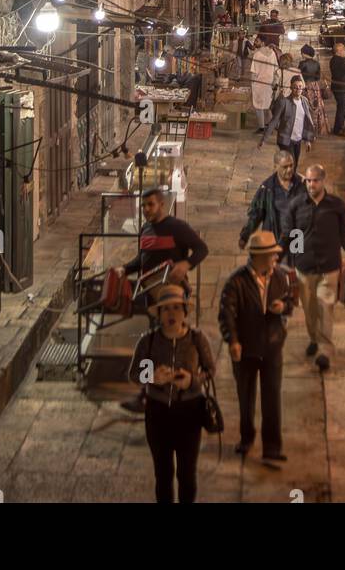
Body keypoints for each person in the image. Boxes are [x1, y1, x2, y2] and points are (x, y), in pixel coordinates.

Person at [120, 188, 209, 412]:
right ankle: (148, 391)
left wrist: (186, 264)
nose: (147, 209)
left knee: (173, 342)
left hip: (171, 295)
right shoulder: (146, 229)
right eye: (144, 206)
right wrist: (125, 269)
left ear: (161, 204)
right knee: (151, 344)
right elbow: (142, 259)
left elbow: (201, 249)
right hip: (151, 294)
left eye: (150, 205)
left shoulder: (177, 228)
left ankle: (178, 387)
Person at [128, 284, 215, 503]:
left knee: (186, 474)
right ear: (158, 314)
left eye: (177, 308)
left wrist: (192, 380)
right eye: (166, 309)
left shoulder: (197, 339)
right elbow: (135, 374)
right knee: (163, 474)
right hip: (158, 414)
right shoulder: (148, 342)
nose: (172, 313)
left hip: (190, 413)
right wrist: (153, 377)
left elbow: (209, 370)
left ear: (184, 312)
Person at [218, 230, 295, 461]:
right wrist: (232, 341)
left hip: (272, 347)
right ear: (258, 256)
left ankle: (272, 446)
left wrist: (283, 307)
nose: (275, 259)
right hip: (246, 348)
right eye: (271, 255)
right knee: (246, 397)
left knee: (272, 397)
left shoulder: (280, 277)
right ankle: (247, 438)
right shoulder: (237, 281)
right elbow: (226, 315)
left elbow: (290, 300)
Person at [283, 164, 345, 372]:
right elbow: (292, 234)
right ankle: (314, 338)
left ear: (323, 181)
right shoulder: (296, 205)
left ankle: (325, 350)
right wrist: (293, 259)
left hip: (329, 267)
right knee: (309, 310)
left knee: (326, 307)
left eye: (315, 180)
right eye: (308, 180)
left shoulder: (336, 206)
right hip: (305, 267)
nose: (311, 184)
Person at [238, 149, 306, 250]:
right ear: (275, 167)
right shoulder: (267, 188)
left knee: (295, 264)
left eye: (291, 165)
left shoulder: (302, 184)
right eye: (285, 167)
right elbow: (256, 214)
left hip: (296, 240)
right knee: (273, 264)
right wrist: (245, 236)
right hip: (274, 238)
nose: (289, 169)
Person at [260, 74, 313, 173]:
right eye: (295, 87)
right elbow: (274, 120)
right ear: (291, 88)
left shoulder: (304, 102)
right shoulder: (284, 102)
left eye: (300, 87)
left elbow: (307, 122)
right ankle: (285, 185)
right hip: (285, 140)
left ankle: (287, 183)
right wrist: (264, 139)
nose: (298, 90)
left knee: (295, 165)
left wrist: (307, 140)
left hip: (297, 140)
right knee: (290, 165)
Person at [249, 38, 280, 132]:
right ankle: (272, 124)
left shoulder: (257, 54)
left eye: (257, 41)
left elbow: (254, 72)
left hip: (259, 84)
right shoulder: (273, 54)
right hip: (270, 83)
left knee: (259, 106)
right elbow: (276, 70)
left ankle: (262, 127)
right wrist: (275, 82)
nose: (255, 43)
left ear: (263, 43)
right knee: (268, 105)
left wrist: (252, 84)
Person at [297, 44, 328, 135]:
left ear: (304, 53)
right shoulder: (316, 63)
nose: (301, 54)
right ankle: (318, 128)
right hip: (315, 86)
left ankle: (306, 129)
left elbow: (298, 75)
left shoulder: (302, 64)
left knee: (305, 107)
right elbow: (318, 77)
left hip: (305, 86)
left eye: (302, 52)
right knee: (317, 107)